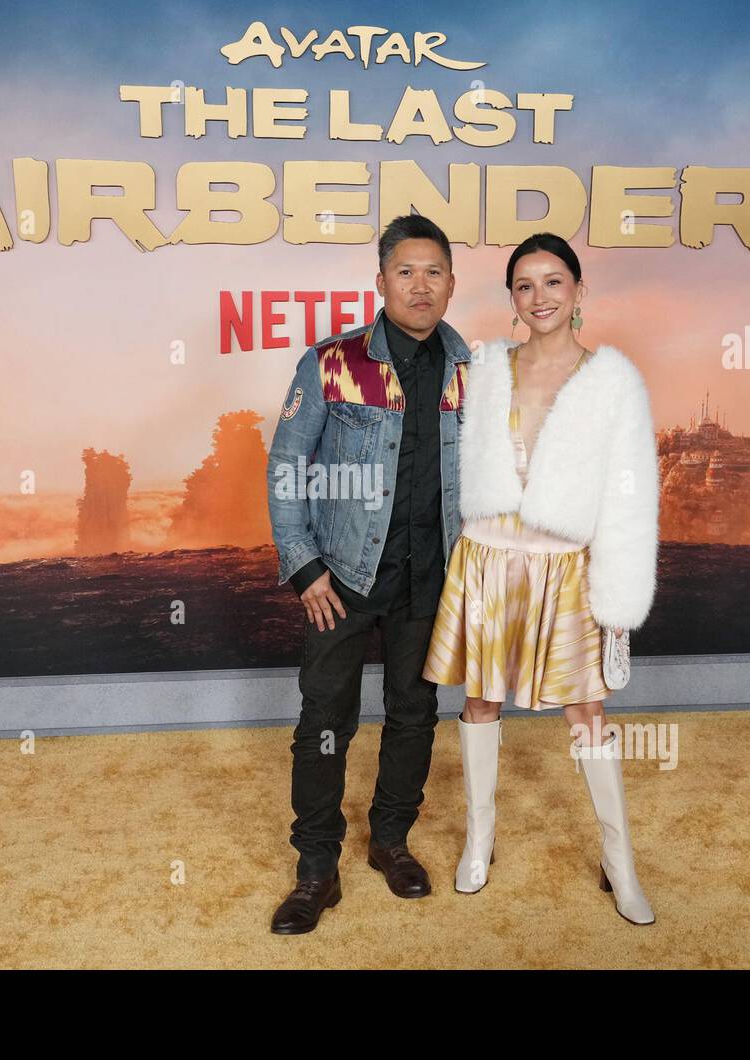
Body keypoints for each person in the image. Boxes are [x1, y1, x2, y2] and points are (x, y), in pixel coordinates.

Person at [422, 232, 661, 925]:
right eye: (525, 285)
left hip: (566, 567)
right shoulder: (483, 367)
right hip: (487, 559)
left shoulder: (614, 380)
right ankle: (479, 841)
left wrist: (616, 596)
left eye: (554, 282)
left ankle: (620, 864)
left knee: (586, 711)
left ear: (579, 292)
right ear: (512, 299)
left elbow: (630, 495)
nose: (540, 297)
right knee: (480, 702)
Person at [265, 213, 472, 935]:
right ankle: (316, 869)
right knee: (325, 720)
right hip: (343, 578)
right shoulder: (330, 362)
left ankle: (390, 841)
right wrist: (304, 567)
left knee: (416, 713)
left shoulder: (476, 373)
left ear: (452, 283)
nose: (421, 285)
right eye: (406, 271)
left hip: (431, 579)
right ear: (381, 281)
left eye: (434, 272)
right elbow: (288, 465)